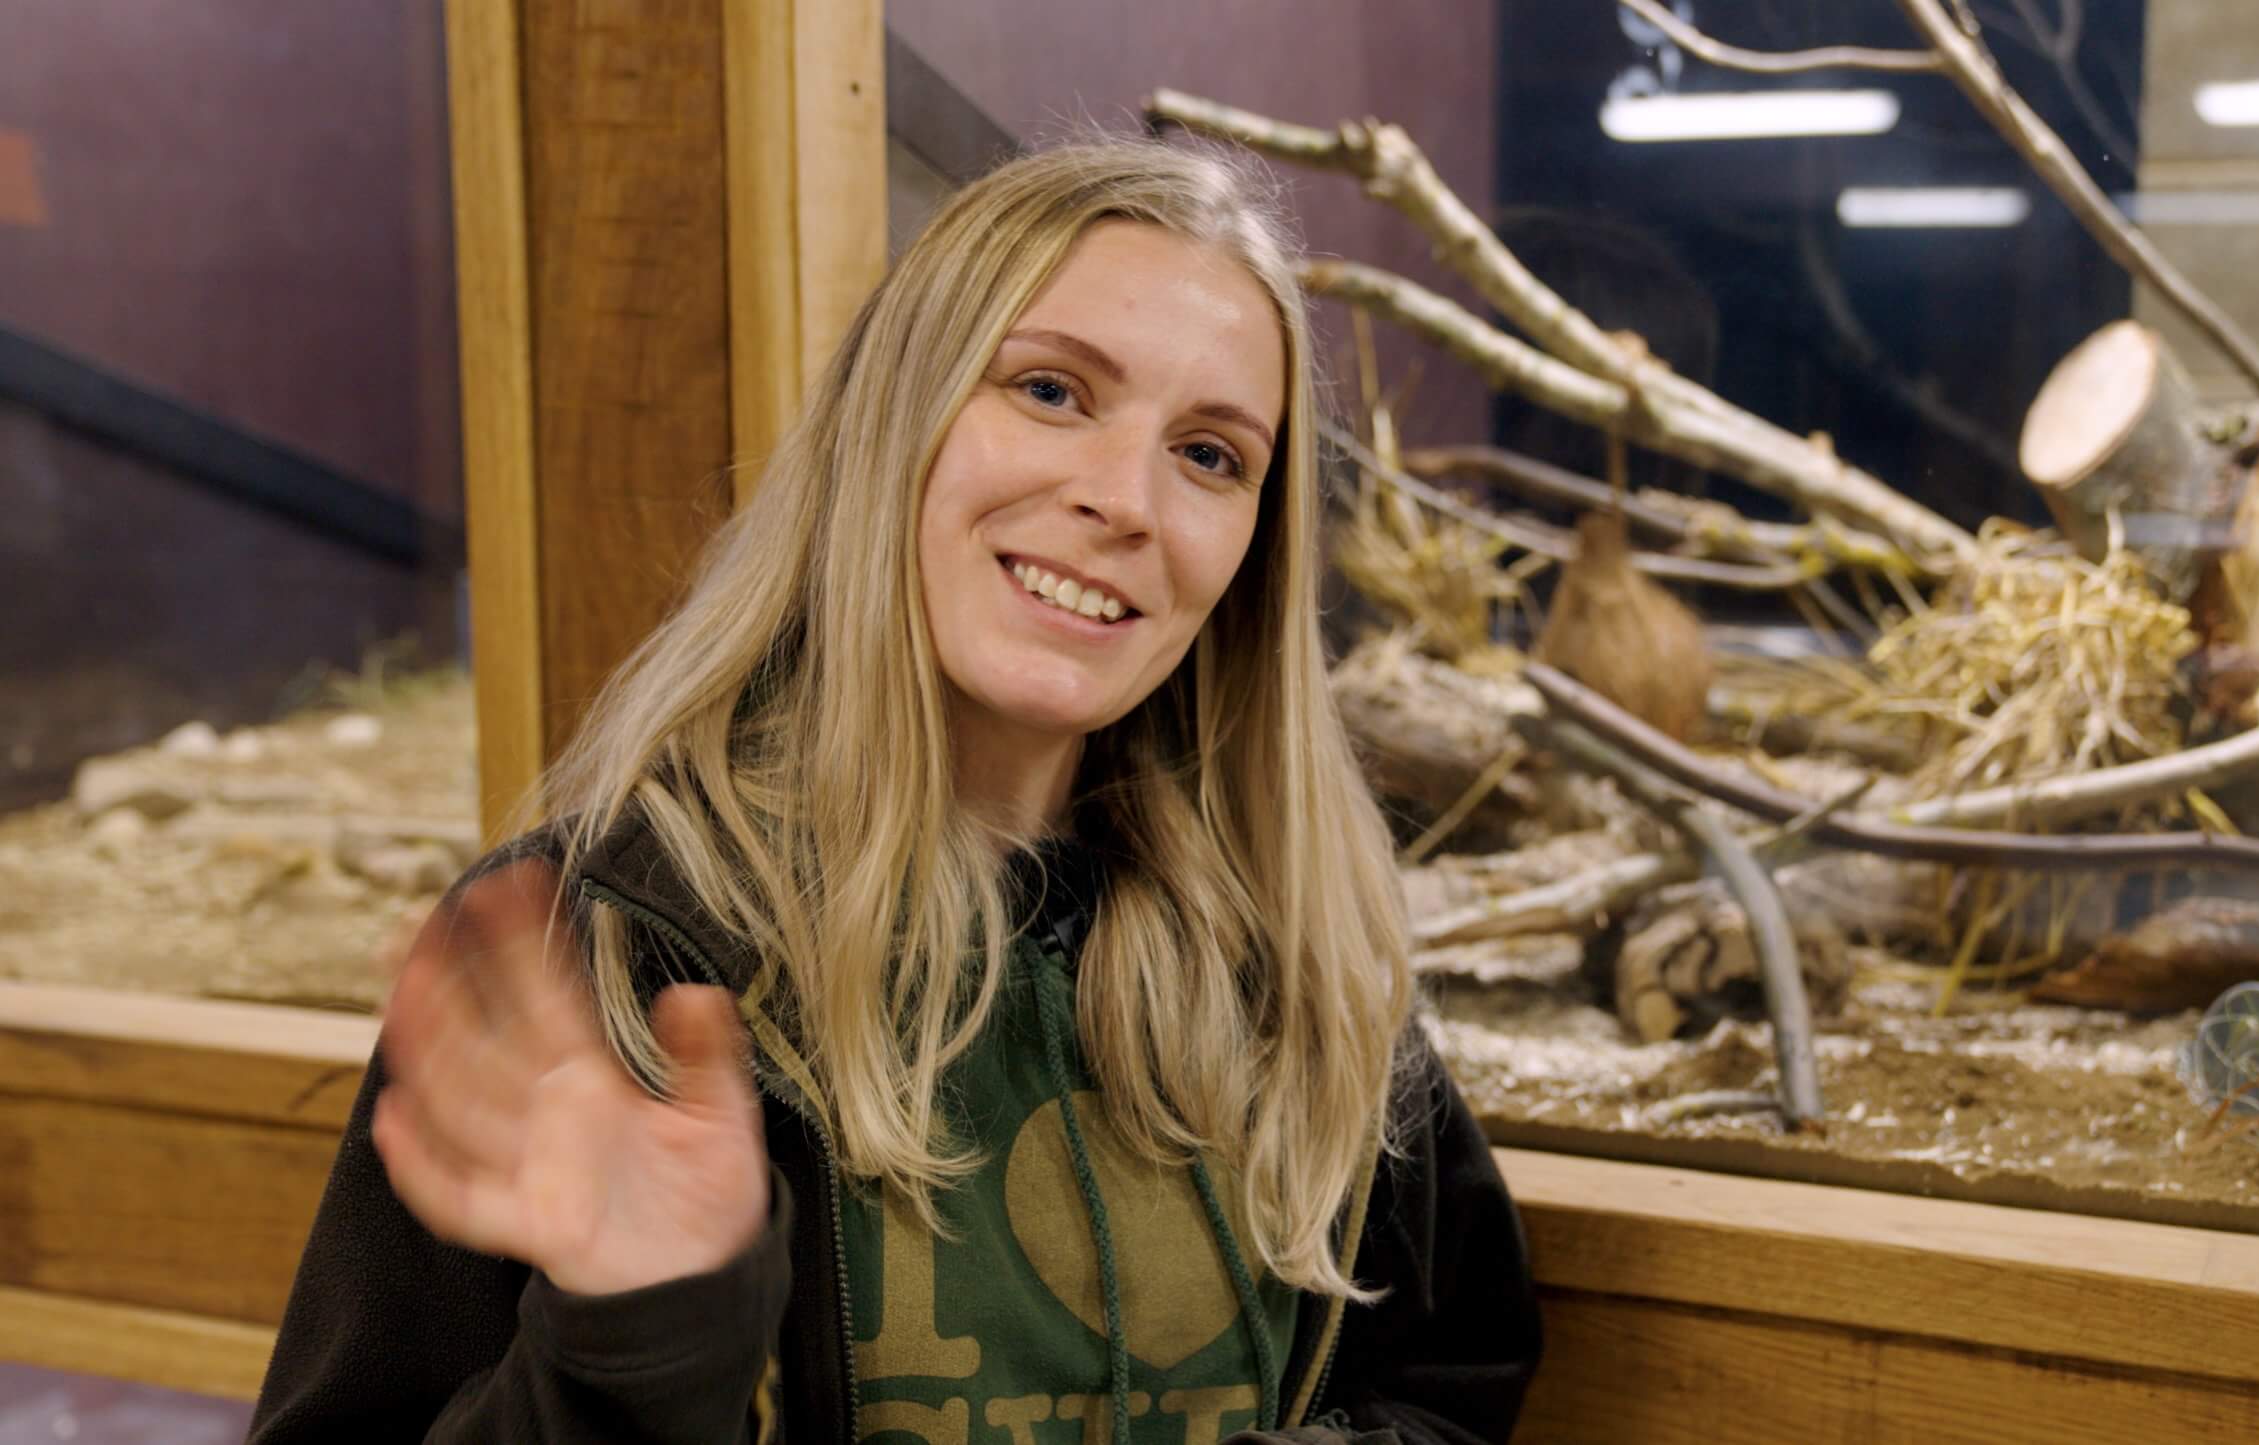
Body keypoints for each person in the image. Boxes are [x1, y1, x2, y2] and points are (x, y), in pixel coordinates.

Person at [247, 135, 1542, 1445]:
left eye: (1212, 455)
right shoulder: (624, 938)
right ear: (897, 422)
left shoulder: (1305, 957)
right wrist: (630, 1348)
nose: (1124, 500)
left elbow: (1446, 1389)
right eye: (1050, 389)